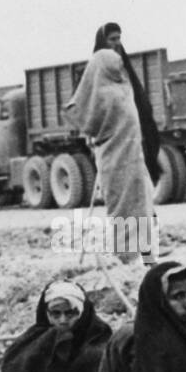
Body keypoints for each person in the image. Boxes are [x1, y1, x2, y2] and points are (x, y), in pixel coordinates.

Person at [66, 48, 158, 264]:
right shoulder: (113, 94)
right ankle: (131, 256)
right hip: (123, 160)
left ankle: (144, 255)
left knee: (137, 207)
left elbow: (86, 123)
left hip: (128, 158)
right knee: (130, 208)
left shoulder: (110, 91)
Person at [94, 22, 163, 185]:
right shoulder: (97, 70)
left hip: (134, 139)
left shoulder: (123, 67)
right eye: (112, 39)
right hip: (113, 143)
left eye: (119, 38)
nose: (117, 43)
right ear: (103, 42)